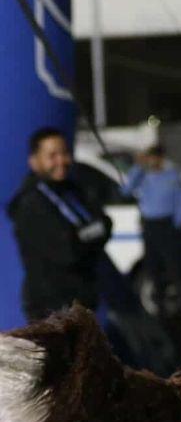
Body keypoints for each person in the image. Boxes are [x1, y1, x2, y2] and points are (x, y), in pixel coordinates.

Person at [6, 127, 112, 322]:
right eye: (52, 156)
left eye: (64, 153)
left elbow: (106, 223)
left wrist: (82, 236)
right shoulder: (30, 203)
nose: (61, 161)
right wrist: (88, 236)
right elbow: (66, 250)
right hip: (51, 310)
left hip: (83, 302)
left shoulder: (73, 191)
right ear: (34, 161)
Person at [124, 145, 181, 358]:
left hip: (167, 226)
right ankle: (160, 316)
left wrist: (177, 225)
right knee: (153, 271)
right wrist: (138, 167)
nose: (153, 161)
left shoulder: (171, 176)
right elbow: (126, 190)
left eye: (156, 157)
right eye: (150, 157)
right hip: (150, 227)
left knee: (176, 272)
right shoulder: (143, 177)